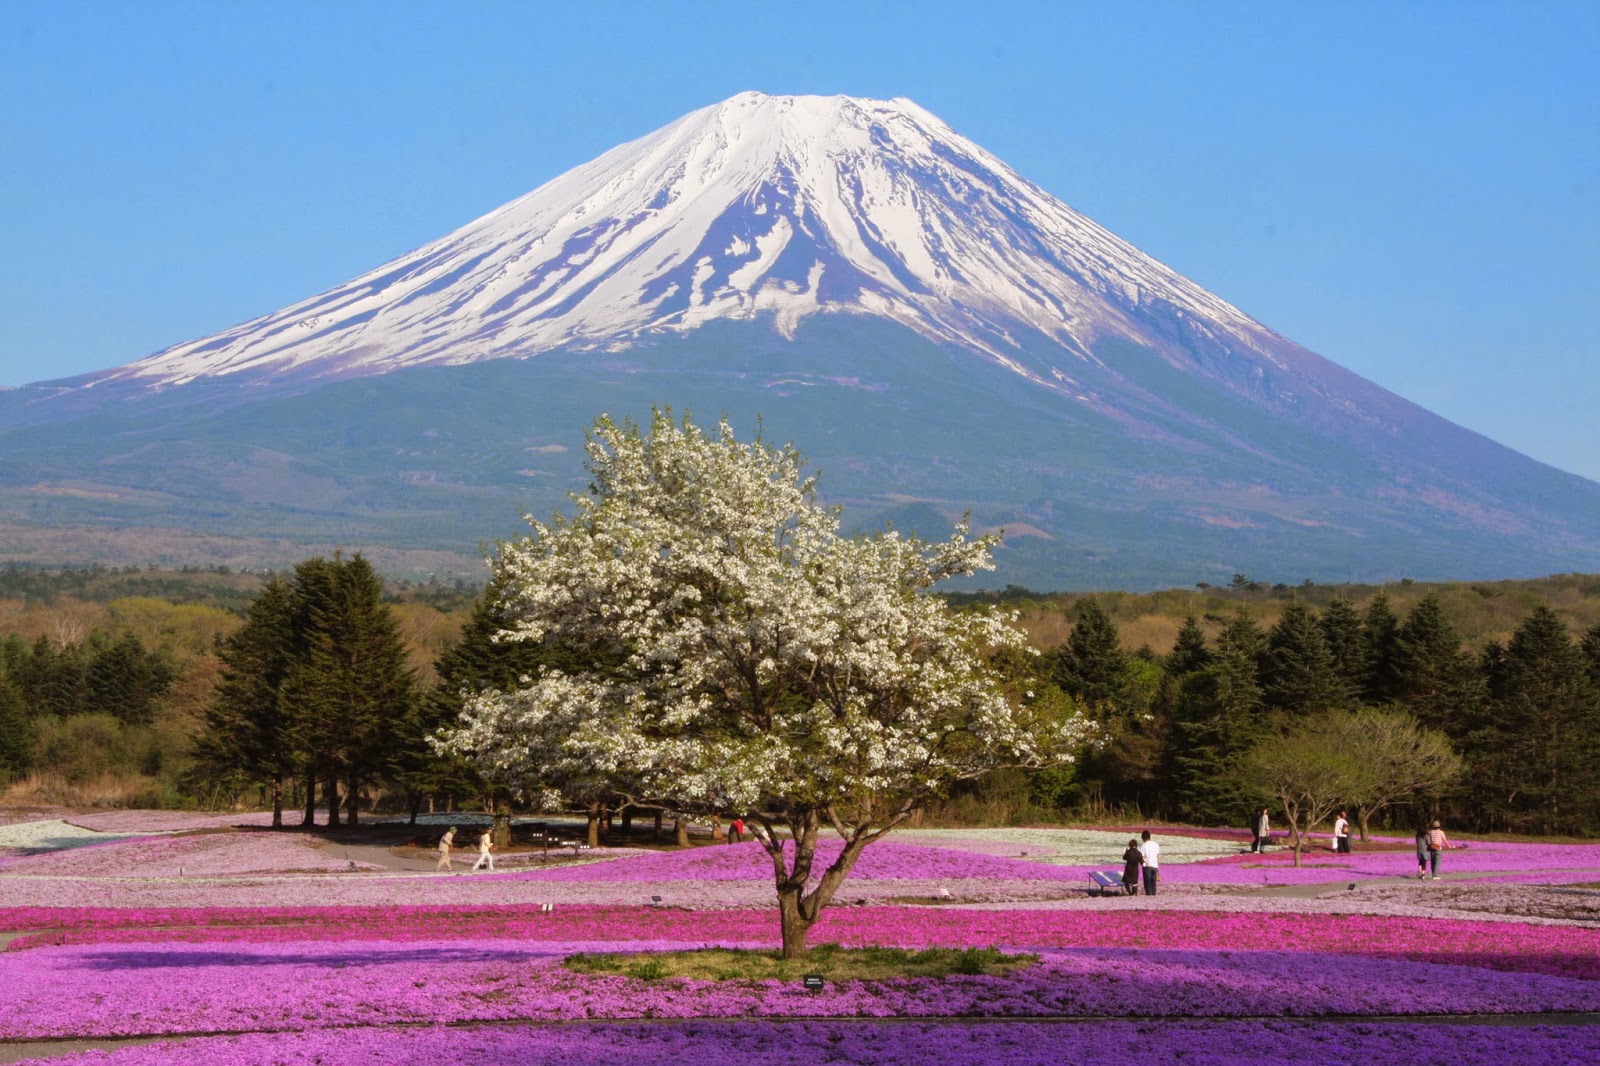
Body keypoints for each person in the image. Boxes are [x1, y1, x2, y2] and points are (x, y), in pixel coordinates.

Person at [1139, 830, 1160, 896]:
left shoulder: (1143, 846)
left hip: (1147, 866)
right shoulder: (1156, 845)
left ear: (1143, 838)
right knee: (1153, 883)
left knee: (1147, 883)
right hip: (1154, 866)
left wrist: (1142, 863)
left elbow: (1142, 857)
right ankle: (1153, 895)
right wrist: (1158, 868)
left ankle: (1149, 896)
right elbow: (1157, 857)